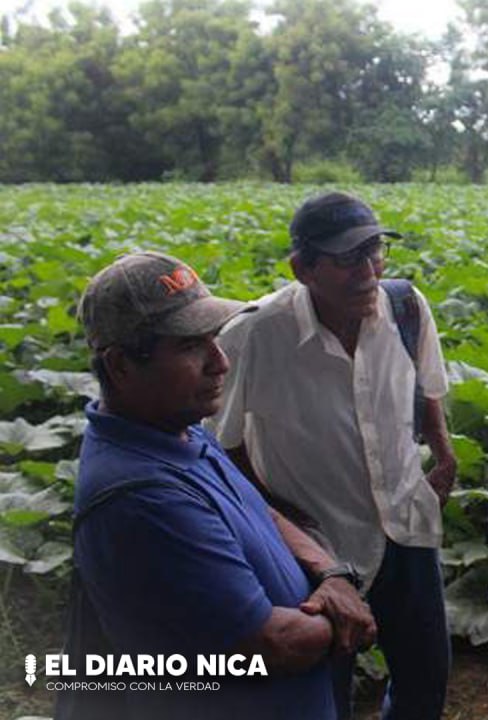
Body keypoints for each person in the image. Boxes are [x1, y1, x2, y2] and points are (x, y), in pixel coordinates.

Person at [69, 251, 376, 719]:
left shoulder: (176, 428)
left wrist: (331, 575)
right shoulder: (140, 497)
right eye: (191, 346)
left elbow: (257, 507)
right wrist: (346, 617)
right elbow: (272, 645)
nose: (221, 362)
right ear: (121, 366)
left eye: (214, 338)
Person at [208, 192, 456, 720]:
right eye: (348, 259)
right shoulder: (254, 335)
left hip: (405, 529)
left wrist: (443, 450)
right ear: (303, 267)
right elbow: (217, 448)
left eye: (375, 252)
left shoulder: (406, 308)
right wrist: (273, 514)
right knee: (325, 692)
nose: (369, 272)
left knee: (426, 678)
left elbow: (428, 382)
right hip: (317, 548)